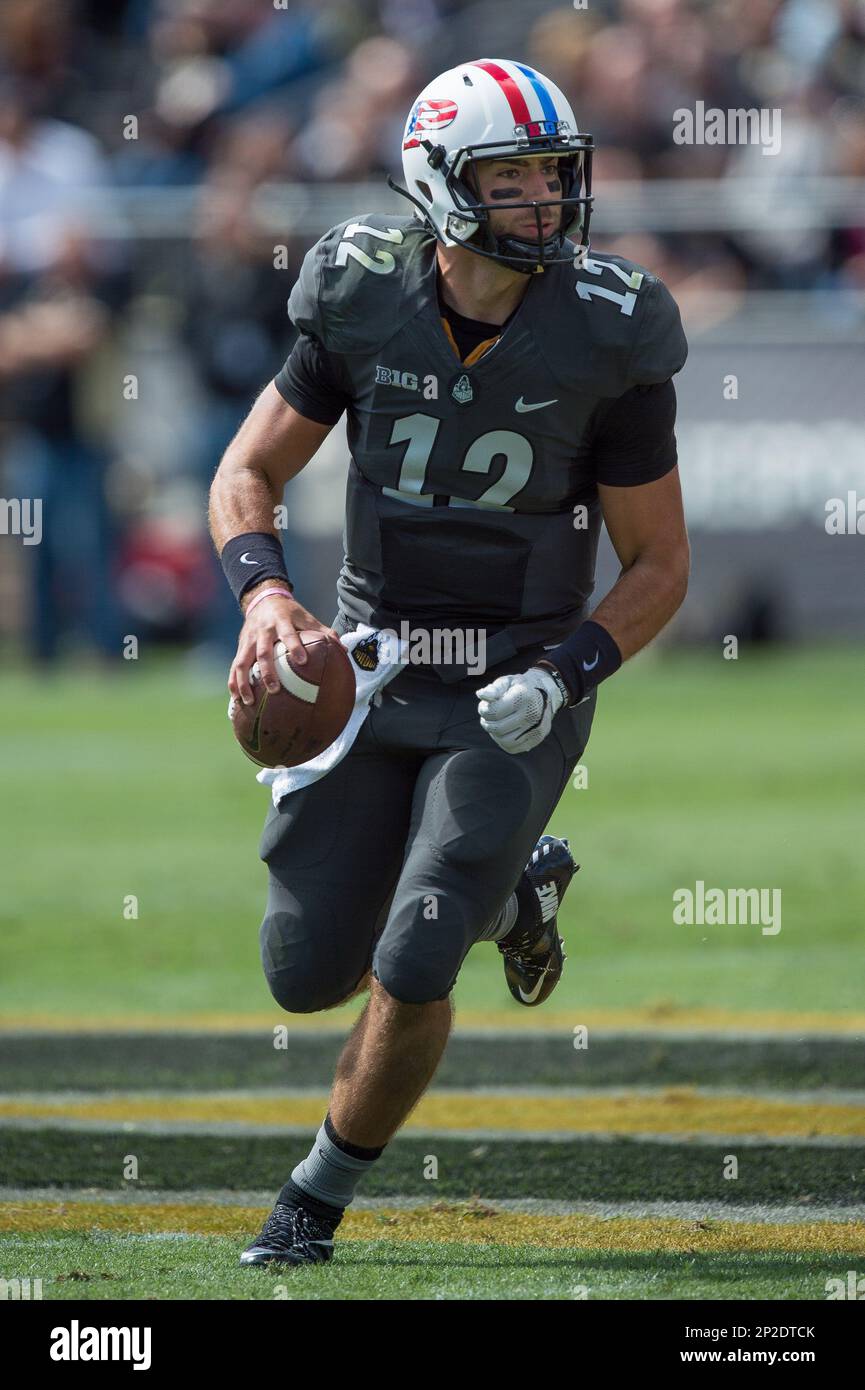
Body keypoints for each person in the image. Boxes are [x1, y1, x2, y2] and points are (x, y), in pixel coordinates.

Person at [208, 57, 690, 1268]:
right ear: (438, 183)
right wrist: (266, 596)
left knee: (414, 957)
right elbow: (245, 472)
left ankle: (310, 1203)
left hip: (515, 687)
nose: (544, 198)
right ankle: (515, 889)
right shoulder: (363, 289)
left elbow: (658, 565)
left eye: (553, 172)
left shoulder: (607, 328)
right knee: (304, 973)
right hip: (370, 670)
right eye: (513, 175)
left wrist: (567, 673)